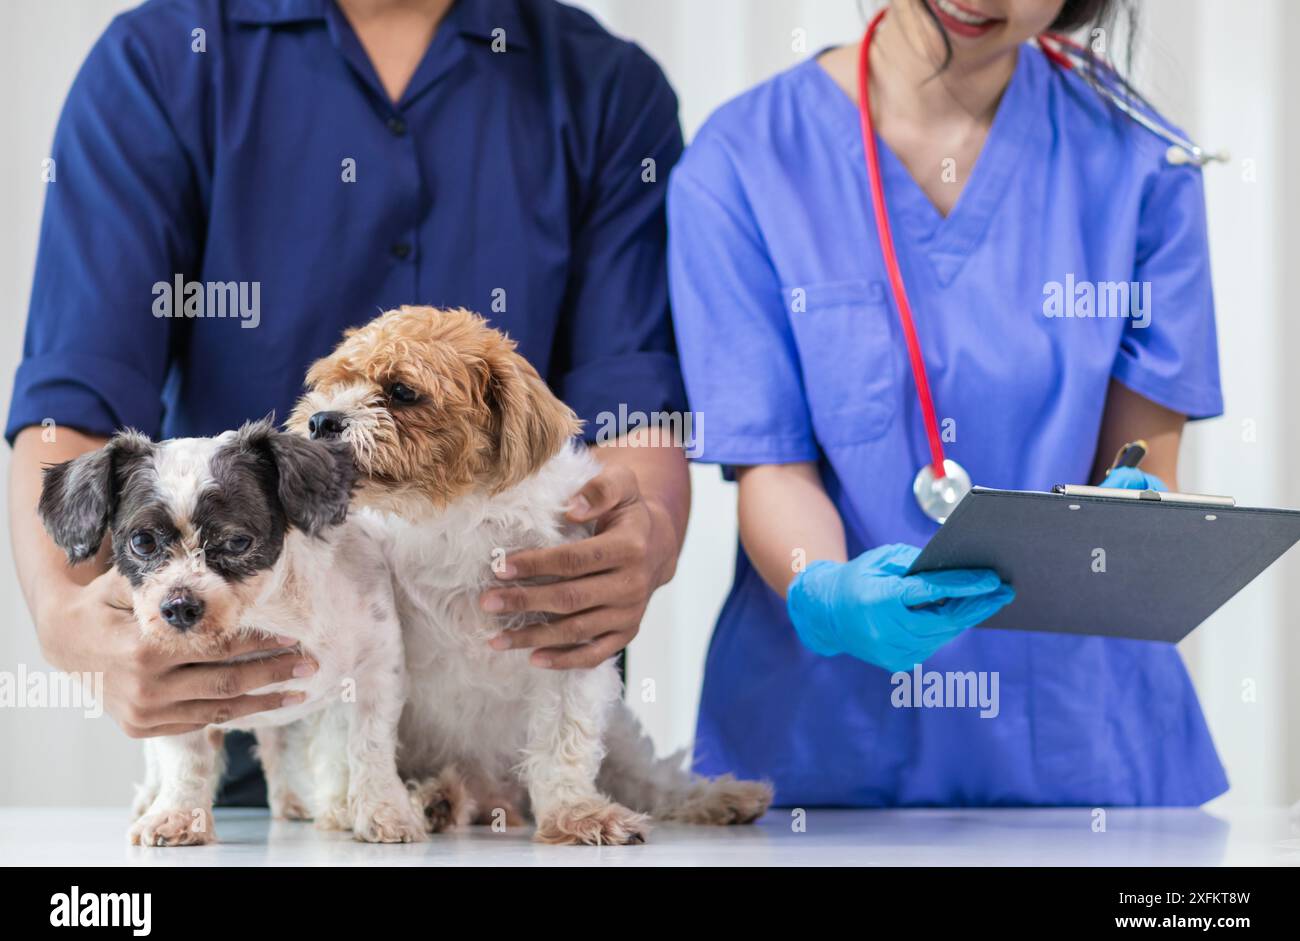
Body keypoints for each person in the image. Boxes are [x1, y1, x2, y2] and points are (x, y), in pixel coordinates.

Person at [8, 0, 689, 805]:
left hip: (518, 733)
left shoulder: (606, 84)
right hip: (264, 710)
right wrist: (66, 622)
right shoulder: (161, 60)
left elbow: (634, 410)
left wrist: (646, 540)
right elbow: (73, 402)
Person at [668, 0, 1227, 806]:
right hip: (827, 749)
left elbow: (1142, 462)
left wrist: (1136, 516)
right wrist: (827, 593)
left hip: (1079, 752)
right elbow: (772, 468)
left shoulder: (1142, 162)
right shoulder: (744, 161)